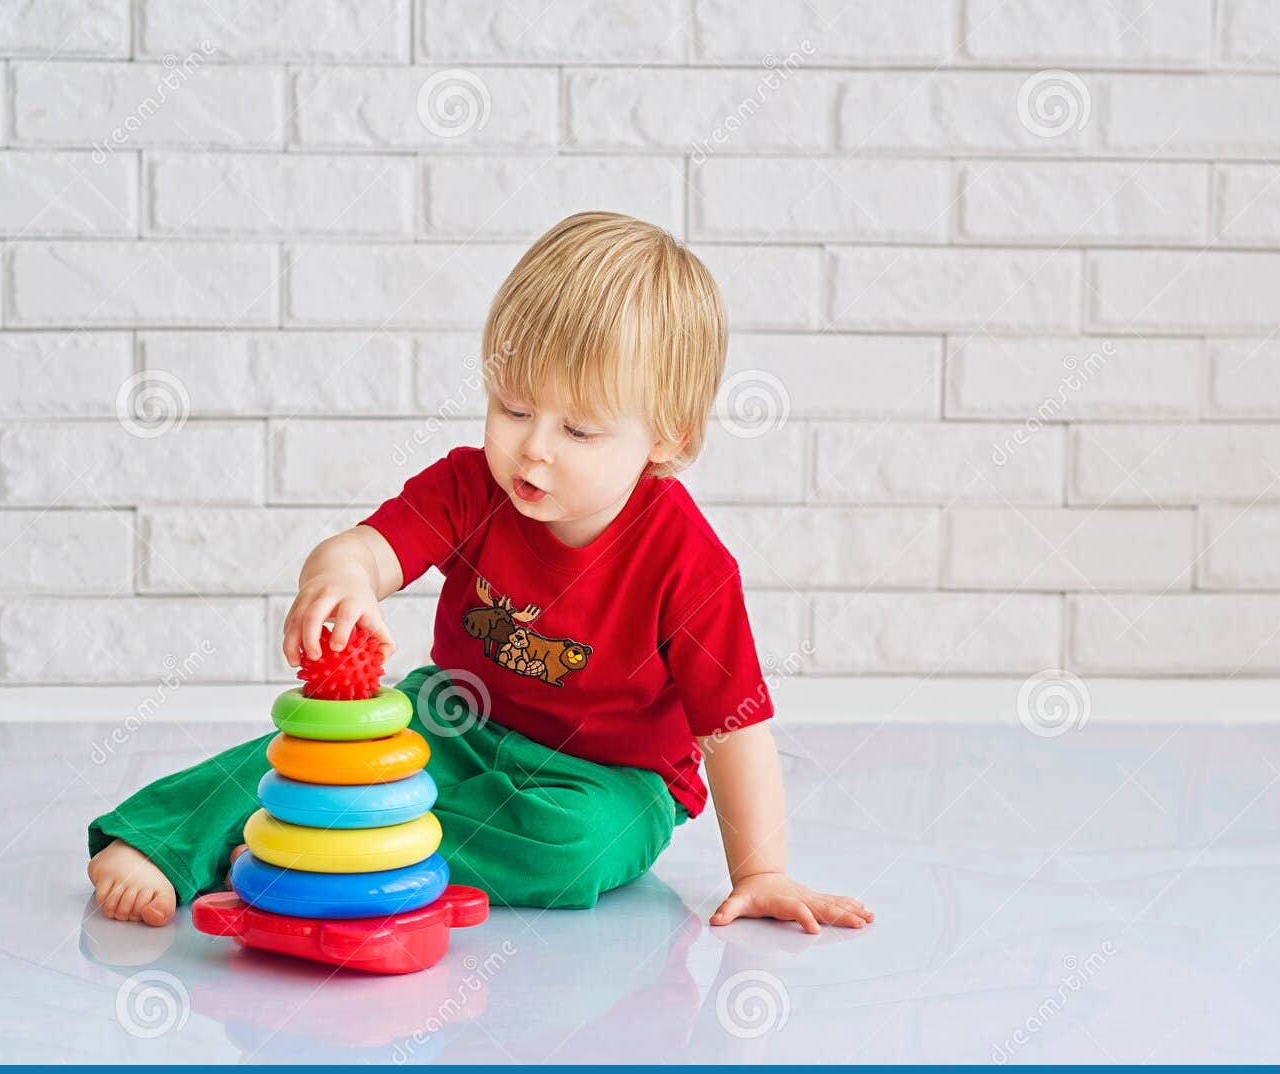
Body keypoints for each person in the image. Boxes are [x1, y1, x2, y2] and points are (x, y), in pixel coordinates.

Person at [87, 211, 873, 935]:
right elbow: (364, 546)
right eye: (514, 407)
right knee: (304, 751)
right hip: (458, 719)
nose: (534, 448)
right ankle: (166, 836)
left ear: (666, 437)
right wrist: (342, 578)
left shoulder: (687, 562)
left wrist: (762, 870)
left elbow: (735, 731)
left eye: (580, 428)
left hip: (609, 779)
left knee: (570, 849)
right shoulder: (471, 487)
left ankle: (324, 851)